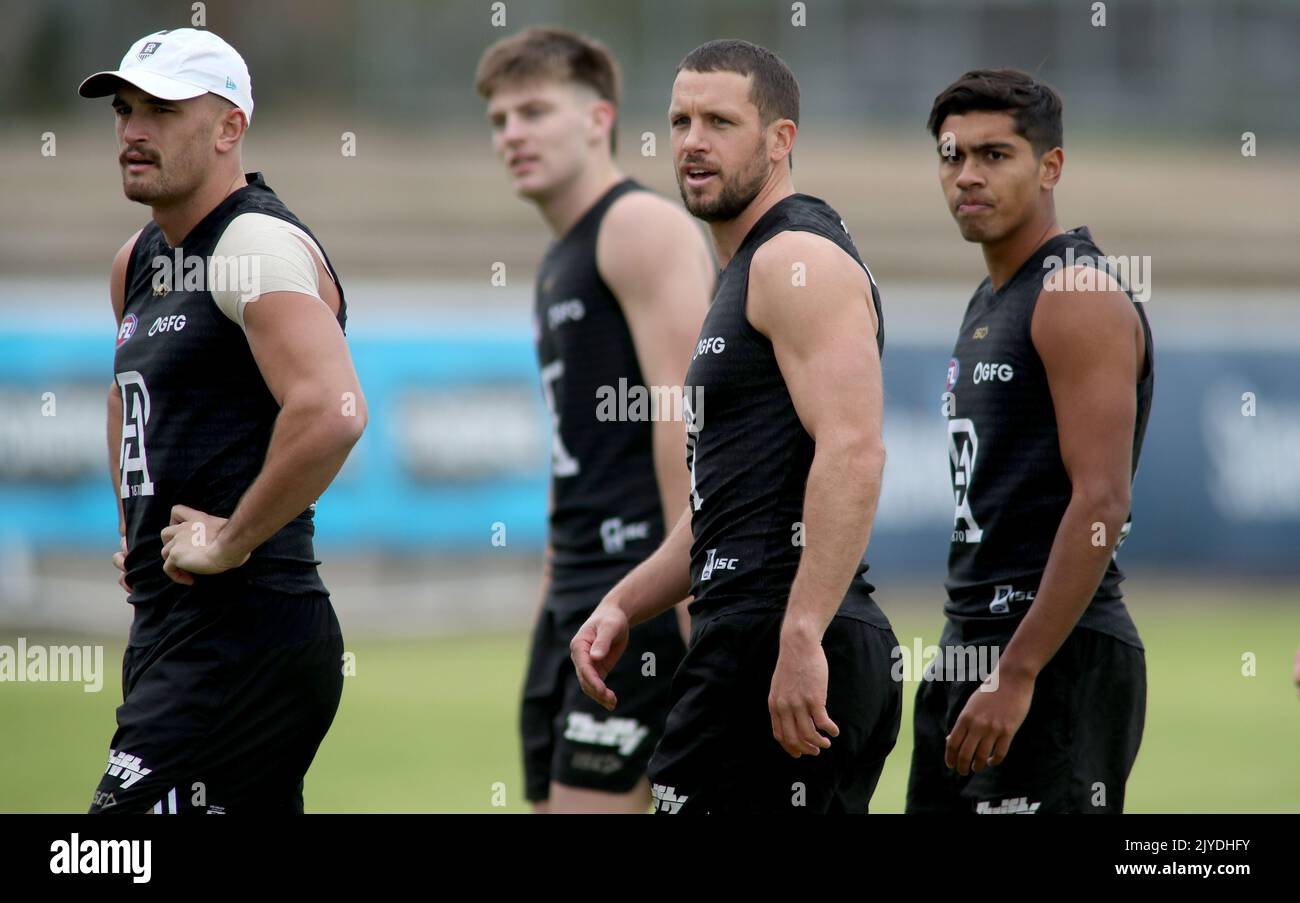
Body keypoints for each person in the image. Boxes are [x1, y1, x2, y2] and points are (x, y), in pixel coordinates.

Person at [571, 39, 899, 814]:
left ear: (780, 140)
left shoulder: (796, 260)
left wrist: (802, 632)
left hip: (779, 632)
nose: (691, 141)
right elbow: (725, 506)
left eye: (719, 120)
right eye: (680, 120)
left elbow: (854, 451)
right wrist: (625, 600)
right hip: (752, 628)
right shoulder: (747, 269)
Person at [83, 27, 365, 813]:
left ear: (228, 127)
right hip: (175, 632)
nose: (133, 131)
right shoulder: (137, 258)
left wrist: (231, 536)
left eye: (162, 111)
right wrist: (134, 535)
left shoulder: (253, 243)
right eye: (125, 109)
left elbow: (334, 410)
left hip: (245, 635)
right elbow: (122, 396)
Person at [476, 26, 713, 813]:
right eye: (500, 119)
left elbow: (687, 415)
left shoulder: (638, 227)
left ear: (597, 118)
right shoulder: (557, 258)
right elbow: (575, 442)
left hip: (639, 589)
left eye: (535, 110)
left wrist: (694, 602)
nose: (512, 133)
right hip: (572, 597)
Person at [906, 69, 1153, 814]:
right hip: (973, 641)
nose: (967, 176)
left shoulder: (1074, 295)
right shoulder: (992, 296)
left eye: (994, 154)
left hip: (1053, 656)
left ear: (1051, 166)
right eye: (952, 156)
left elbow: (1103, 500)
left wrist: (1017, 671)